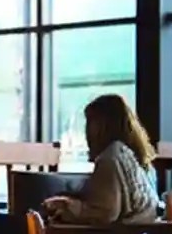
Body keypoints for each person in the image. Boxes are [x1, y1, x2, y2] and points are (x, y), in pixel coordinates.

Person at [43, 94, 158, 226]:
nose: (86, 131)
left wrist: (67, 206)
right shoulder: (131, 157)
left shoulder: (110, 159)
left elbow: (105, 214)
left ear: (100, 126)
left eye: (90, 122)